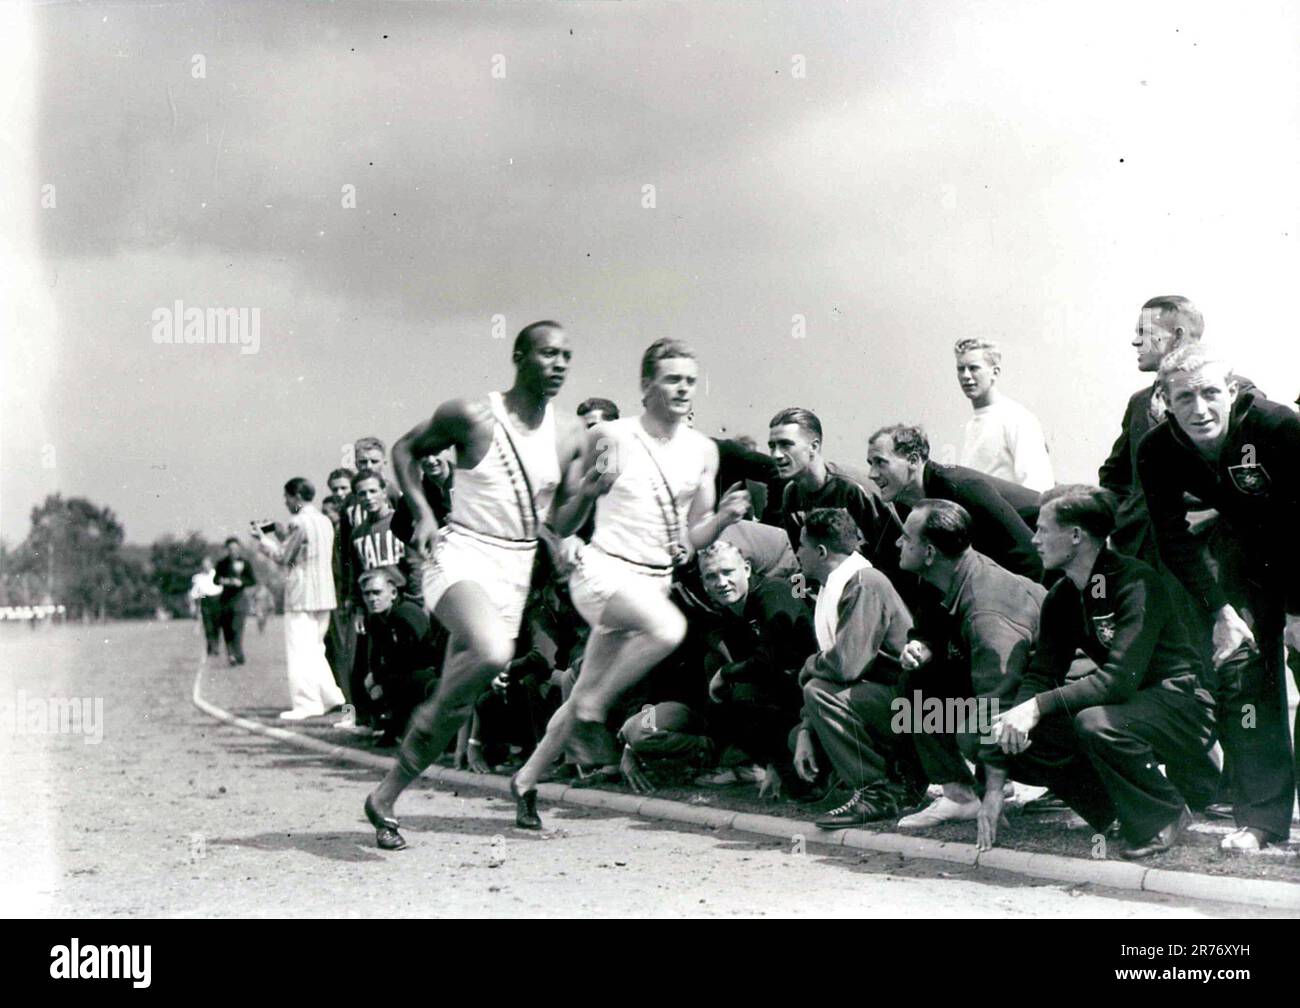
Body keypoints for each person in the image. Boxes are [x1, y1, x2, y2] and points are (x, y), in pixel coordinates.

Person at [509, 337, 750, 829]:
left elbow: (693, 535)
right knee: (667, 630)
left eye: (689, 380)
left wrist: (722, 519)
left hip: (651, 583)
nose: (683, 388)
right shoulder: (610, 437)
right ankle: (599, 704)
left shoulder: (704, 451)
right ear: (646, 385)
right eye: (672, 379)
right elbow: (562, 518)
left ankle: (526, 779)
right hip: (603, 574)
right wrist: (592, 490)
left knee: (579, 697)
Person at [363, 321, 585, 850]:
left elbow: (565, 519)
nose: (558, 364)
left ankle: (384, 798)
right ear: (519, 356)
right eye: (548, 354)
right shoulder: (471, 415)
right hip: (460, 554)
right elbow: (404, 450)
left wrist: (593, 489)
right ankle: (434, 714)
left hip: (517, 568)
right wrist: (419, 512)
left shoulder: (570, 434)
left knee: (458, 702)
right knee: (490, 650)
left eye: (567, 356)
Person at [978, 485, 1218, 858]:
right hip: (1129, 707)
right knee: (1025, 732)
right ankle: (1116, 815)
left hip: (1181, 705)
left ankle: (1164, 814)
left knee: (1094, 723)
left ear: (1076, 536)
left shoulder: (1136, 581)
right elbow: (1042, 674)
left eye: (1043, 529)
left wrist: (1036, 707)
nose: (1035, 539)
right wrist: (1017, 719)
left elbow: (1118, 680)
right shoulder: (1061, 596)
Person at [1137, 344, 1300, 852]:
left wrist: (1296, 611)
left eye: (1211, 393)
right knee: (1246, 681)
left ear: (1231, 391)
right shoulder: (1156, 450)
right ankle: (1262, 820)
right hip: (1244, 565)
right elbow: (1174, 540)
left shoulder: (1278, 427)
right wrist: (1220, 611)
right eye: (1185, 397)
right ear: (1164, 400)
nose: (1200, 408)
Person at [891, 500, 1046, 828]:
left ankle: (1070, 787)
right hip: (1016, 678)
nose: (897, 543)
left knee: (975, 734)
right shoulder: (942, 573)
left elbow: (997, 699)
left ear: (930, 552)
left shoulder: (985, 608)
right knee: (917, 682)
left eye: (906, 537)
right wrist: (921, 645)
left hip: (1061, 687)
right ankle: (959, 798)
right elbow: (930, 627)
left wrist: (991, 791)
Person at [791, 509, 924, 828]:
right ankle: (899, 782)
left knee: (817, 690)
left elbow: (846, 666)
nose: (797, 553)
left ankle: (876, 794)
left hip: (919, 711)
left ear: (821, 552)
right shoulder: (833, 584)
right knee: (798, 730)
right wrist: (807, 729)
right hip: (893, 704)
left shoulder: (865, 582)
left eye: (802, 545)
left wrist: (809, 666)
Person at [688, 540, 816, 796]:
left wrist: (726, 674)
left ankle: (795, 772)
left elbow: (773, 658)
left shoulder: (774, 591)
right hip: (782, 691)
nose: (721, 582)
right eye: (712, 576)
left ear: (746, 569)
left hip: (813, 687)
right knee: (720, 678)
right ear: (704, 584)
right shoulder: (731, 611)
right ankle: (768, 764)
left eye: (728, 572)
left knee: (741, 689)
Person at [867, 424, 1042, 580]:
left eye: (881, 463)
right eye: (870, 464)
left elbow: (1030, 557)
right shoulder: (906, 502)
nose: (872, 474)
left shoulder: (961, 489)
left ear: (913, 460)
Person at [252, 477, 345, 720]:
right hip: (324, 593)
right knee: (316, 648)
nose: (285, 502)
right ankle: (330, 696)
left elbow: (284, 556)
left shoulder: (298, 522)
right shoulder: (324, 521)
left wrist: (262, 540)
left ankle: (307, 704)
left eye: (287, 497)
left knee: (300, 652)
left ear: (296, 497)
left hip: (302, 594)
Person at [768, 407, 902, 576]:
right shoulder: (791, 495)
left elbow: (896, 554)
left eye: (786, 444)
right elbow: (801, 561)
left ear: (813, 446)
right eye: (772, 446)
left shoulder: (854, 488)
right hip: (828, 591)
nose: (776, 455)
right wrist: (798, 598)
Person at [955, 337, 1053, 492]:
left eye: (974, 368)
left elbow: (1038, 484)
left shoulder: (1017, 418)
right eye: (961, 369)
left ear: (994, 372)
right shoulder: (971, 426)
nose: (966, 376)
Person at [356, 567, 440, 746]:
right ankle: (389, 727)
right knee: (373, 681)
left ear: (393, 593)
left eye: (377, 592)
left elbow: (414, 658)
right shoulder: (376, 619)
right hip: (404, 672)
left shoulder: (405, 614)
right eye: (367, 594)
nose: (372, 599)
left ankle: (401, 730)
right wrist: (375, 677)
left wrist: (381, 680)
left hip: (429, 673)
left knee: (399, 683)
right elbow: (376, 654)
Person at [214, 537, 256, 666]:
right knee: (226, 629)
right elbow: (215, 580)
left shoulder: (245, 563)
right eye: (230, 548)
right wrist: (223, 581)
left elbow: (252, 580)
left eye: (235, 548)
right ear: (227, 549)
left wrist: (241, 582)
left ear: (239, 549)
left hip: (239, 601)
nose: (233, 551)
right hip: (225, 601)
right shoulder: (221, 563)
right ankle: (231, 654)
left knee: (236, 628)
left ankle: (238, 653)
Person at [188, 556, 223, 656]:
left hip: (217, 601)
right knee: (208, 627)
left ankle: (215, 644)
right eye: (204, 565)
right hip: (206, 602)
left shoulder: (217, 575)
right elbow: (195, 593)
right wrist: (194, 604)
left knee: (216, 626)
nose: (206, 567)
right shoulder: (198, 578)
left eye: (208, 565)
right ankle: (211, 646)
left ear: (211, 565)